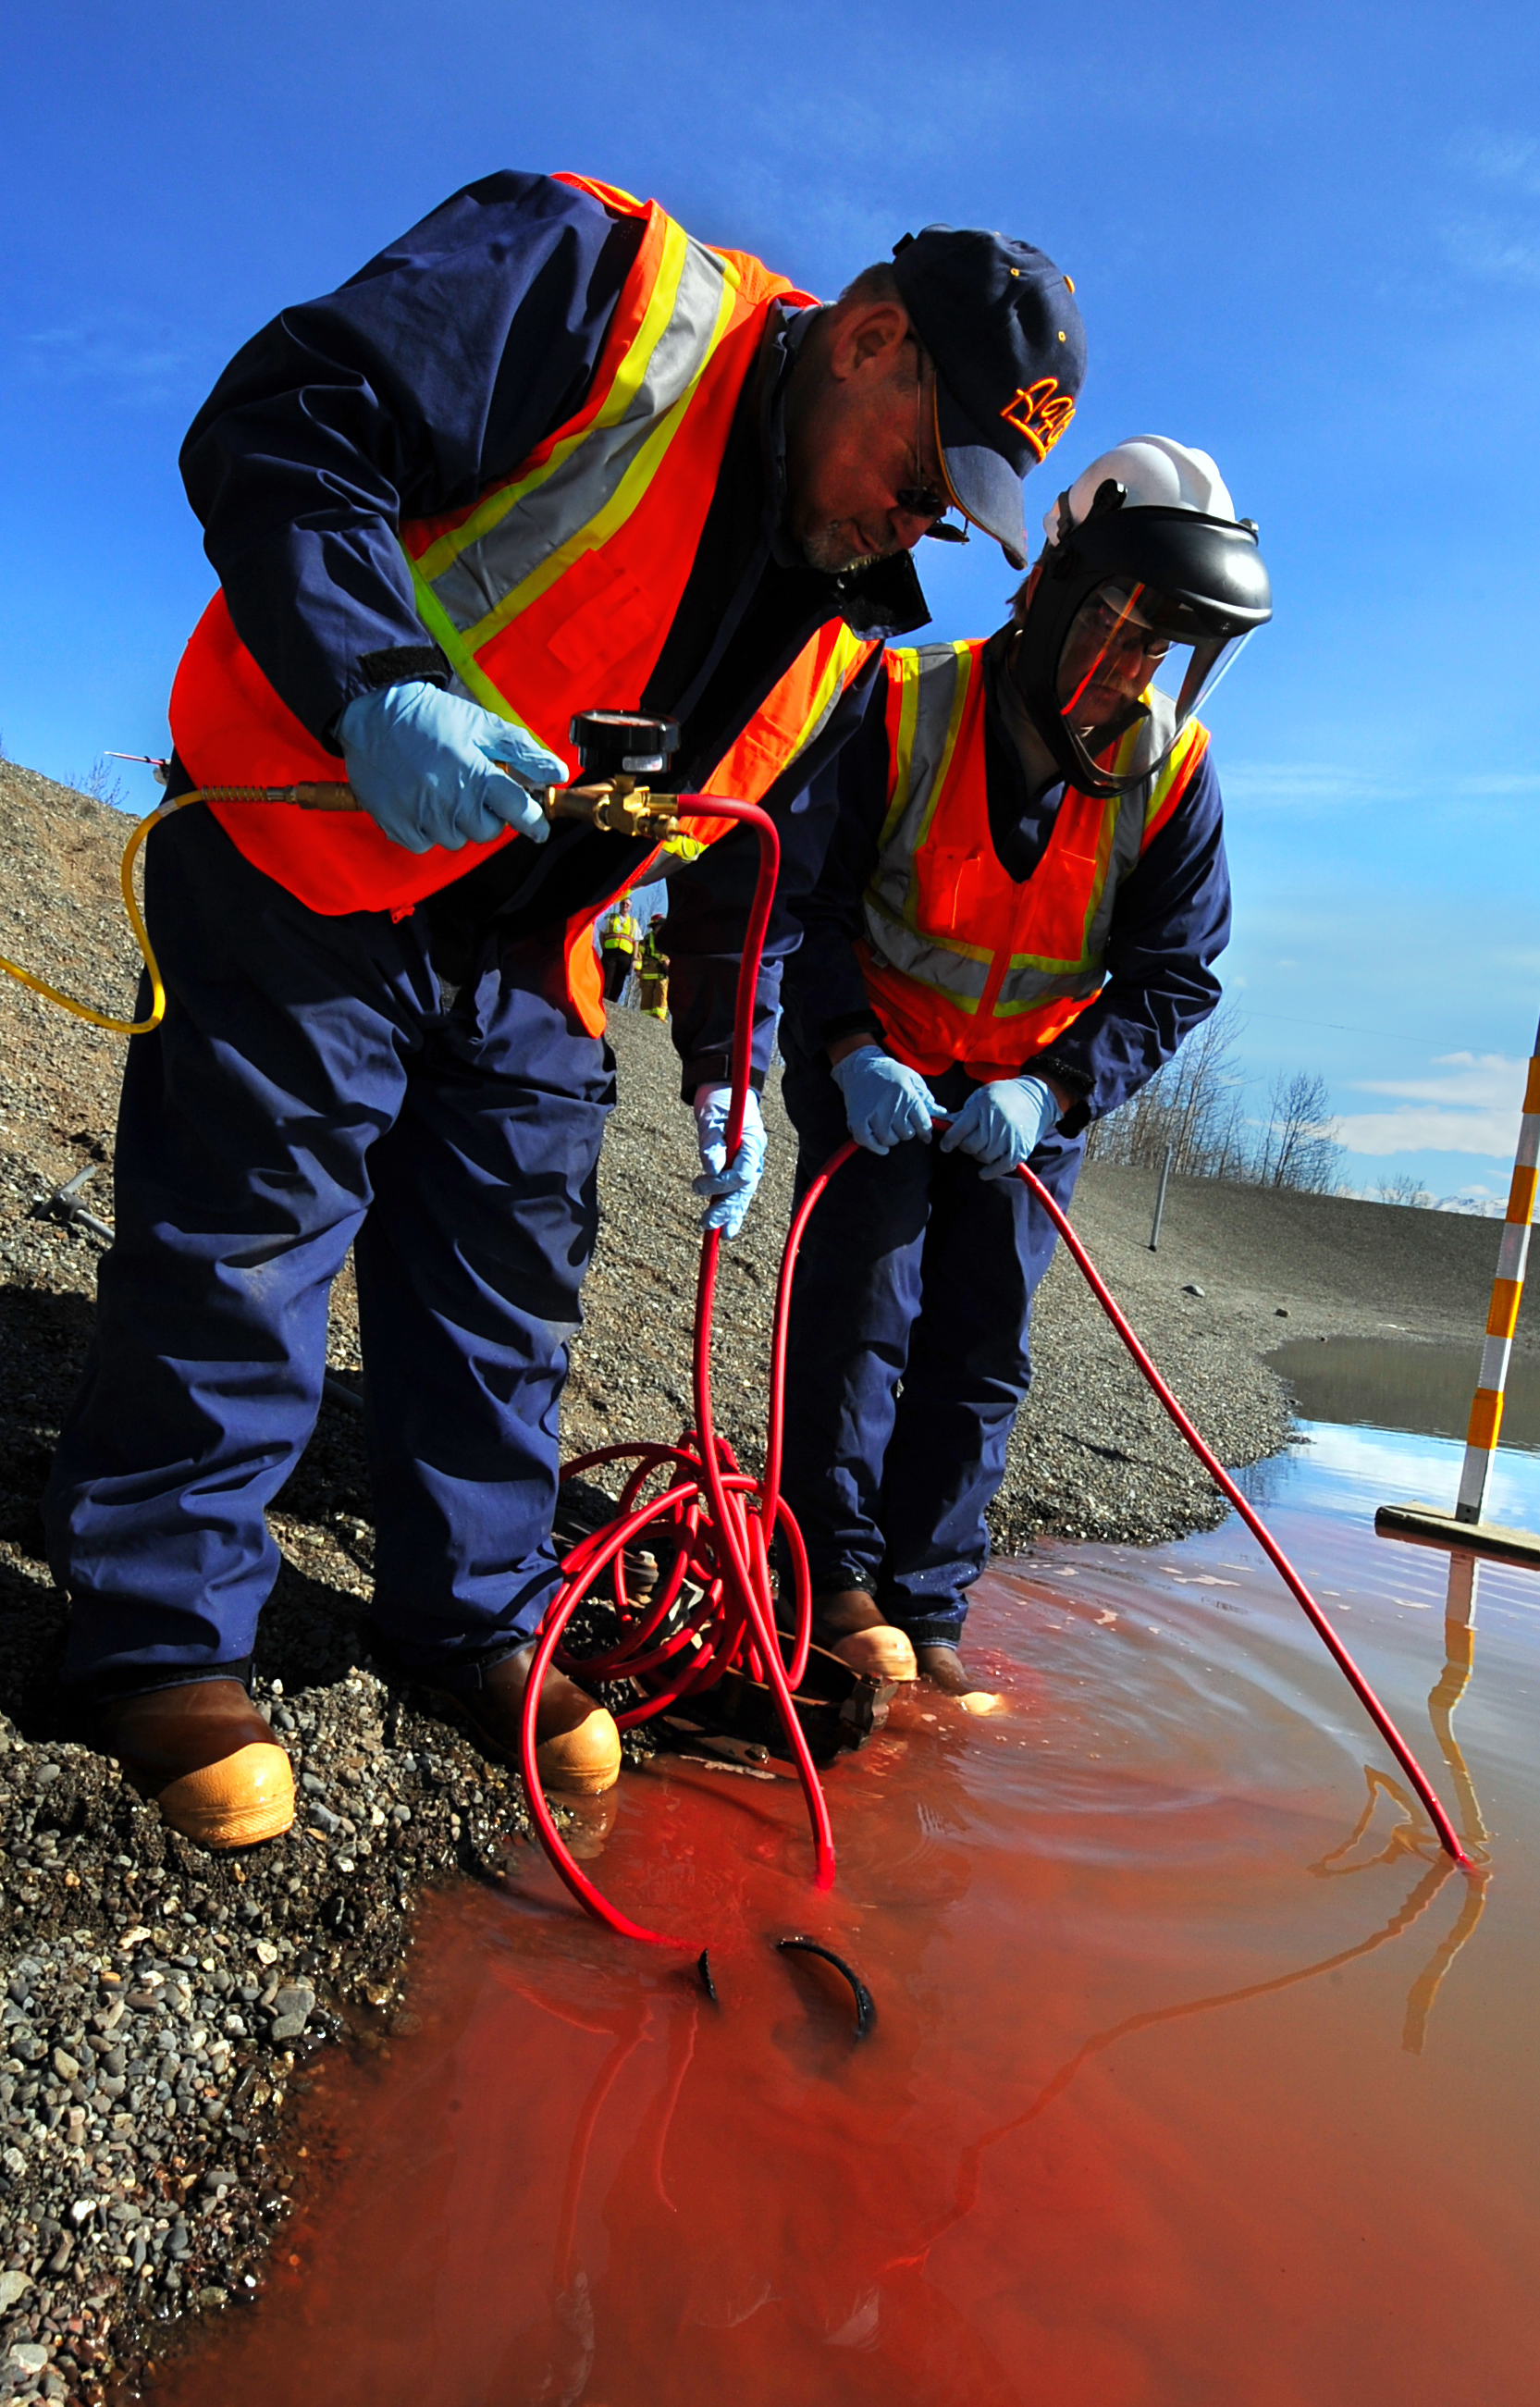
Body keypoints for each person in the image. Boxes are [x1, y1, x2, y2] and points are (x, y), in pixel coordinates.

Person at [43, 168, 1086, 1845]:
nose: (917, 528)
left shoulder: (841, 610)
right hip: (318, 835)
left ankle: (471, 1622)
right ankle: (159, 1639)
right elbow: (290, 420)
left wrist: (727, 1068)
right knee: (245, 1251)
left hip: (533, 949)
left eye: (949, 516)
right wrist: (380, 686)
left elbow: (743, 849)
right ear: (869, 341)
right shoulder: (606, 290)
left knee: (507, 1297)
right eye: (921, 478)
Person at [776, 438, 1270, 1702]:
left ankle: (927, 1603)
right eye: (1109, 626)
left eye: (1154, 646)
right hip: (877, 1063)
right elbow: (806, 901)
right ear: (1049, 587)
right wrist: (850, 1047)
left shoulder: (1173, 773)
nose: (1124, 669)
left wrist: (1052, 1090)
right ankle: (831, 1580)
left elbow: (1173, 976)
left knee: (980, 1344)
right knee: (859, 1316)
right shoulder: (901, 700)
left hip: (1024, 1101)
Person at [598, 901, 640, 1005]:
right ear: (620, 905)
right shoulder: (610, 918)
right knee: (606, 978)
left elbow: (636, 941)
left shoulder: (633, 922)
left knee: (619, 981)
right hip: (610, 953)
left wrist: (635, 958)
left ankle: (613, 1003)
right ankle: (602, 1000)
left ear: (630, 907)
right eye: (623, 903)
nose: (625, 906)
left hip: (625, 955)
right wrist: (604, 948)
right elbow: (601, 934)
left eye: (627, 904)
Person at [636, 917, 670, 1020]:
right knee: (647, 994)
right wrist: (638, 969)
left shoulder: (669, 939)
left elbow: (675, 954)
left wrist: (669, 962)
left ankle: (659, 1018)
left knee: (661, 993)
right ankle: (645, 1018)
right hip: (648, 971)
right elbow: (639, 953)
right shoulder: (647, 939)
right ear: (654, 927)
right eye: (659, 926)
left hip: (662, 972)